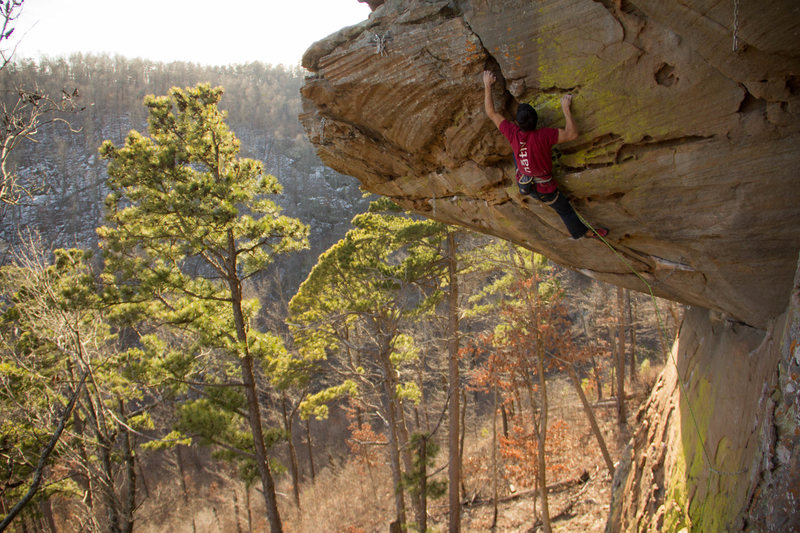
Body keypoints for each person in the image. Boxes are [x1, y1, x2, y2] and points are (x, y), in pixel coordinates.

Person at [482, 70, 607, 240]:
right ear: (536, 121)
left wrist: (487, 85)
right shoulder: (544, 135)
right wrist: (566, 109)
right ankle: (584, 232)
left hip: (526, 182)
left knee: (516, 152)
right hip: (544, 189)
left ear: (518, 123)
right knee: (565, 210)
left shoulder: (513, 132)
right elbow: (572, 134)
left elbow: (491, 112)